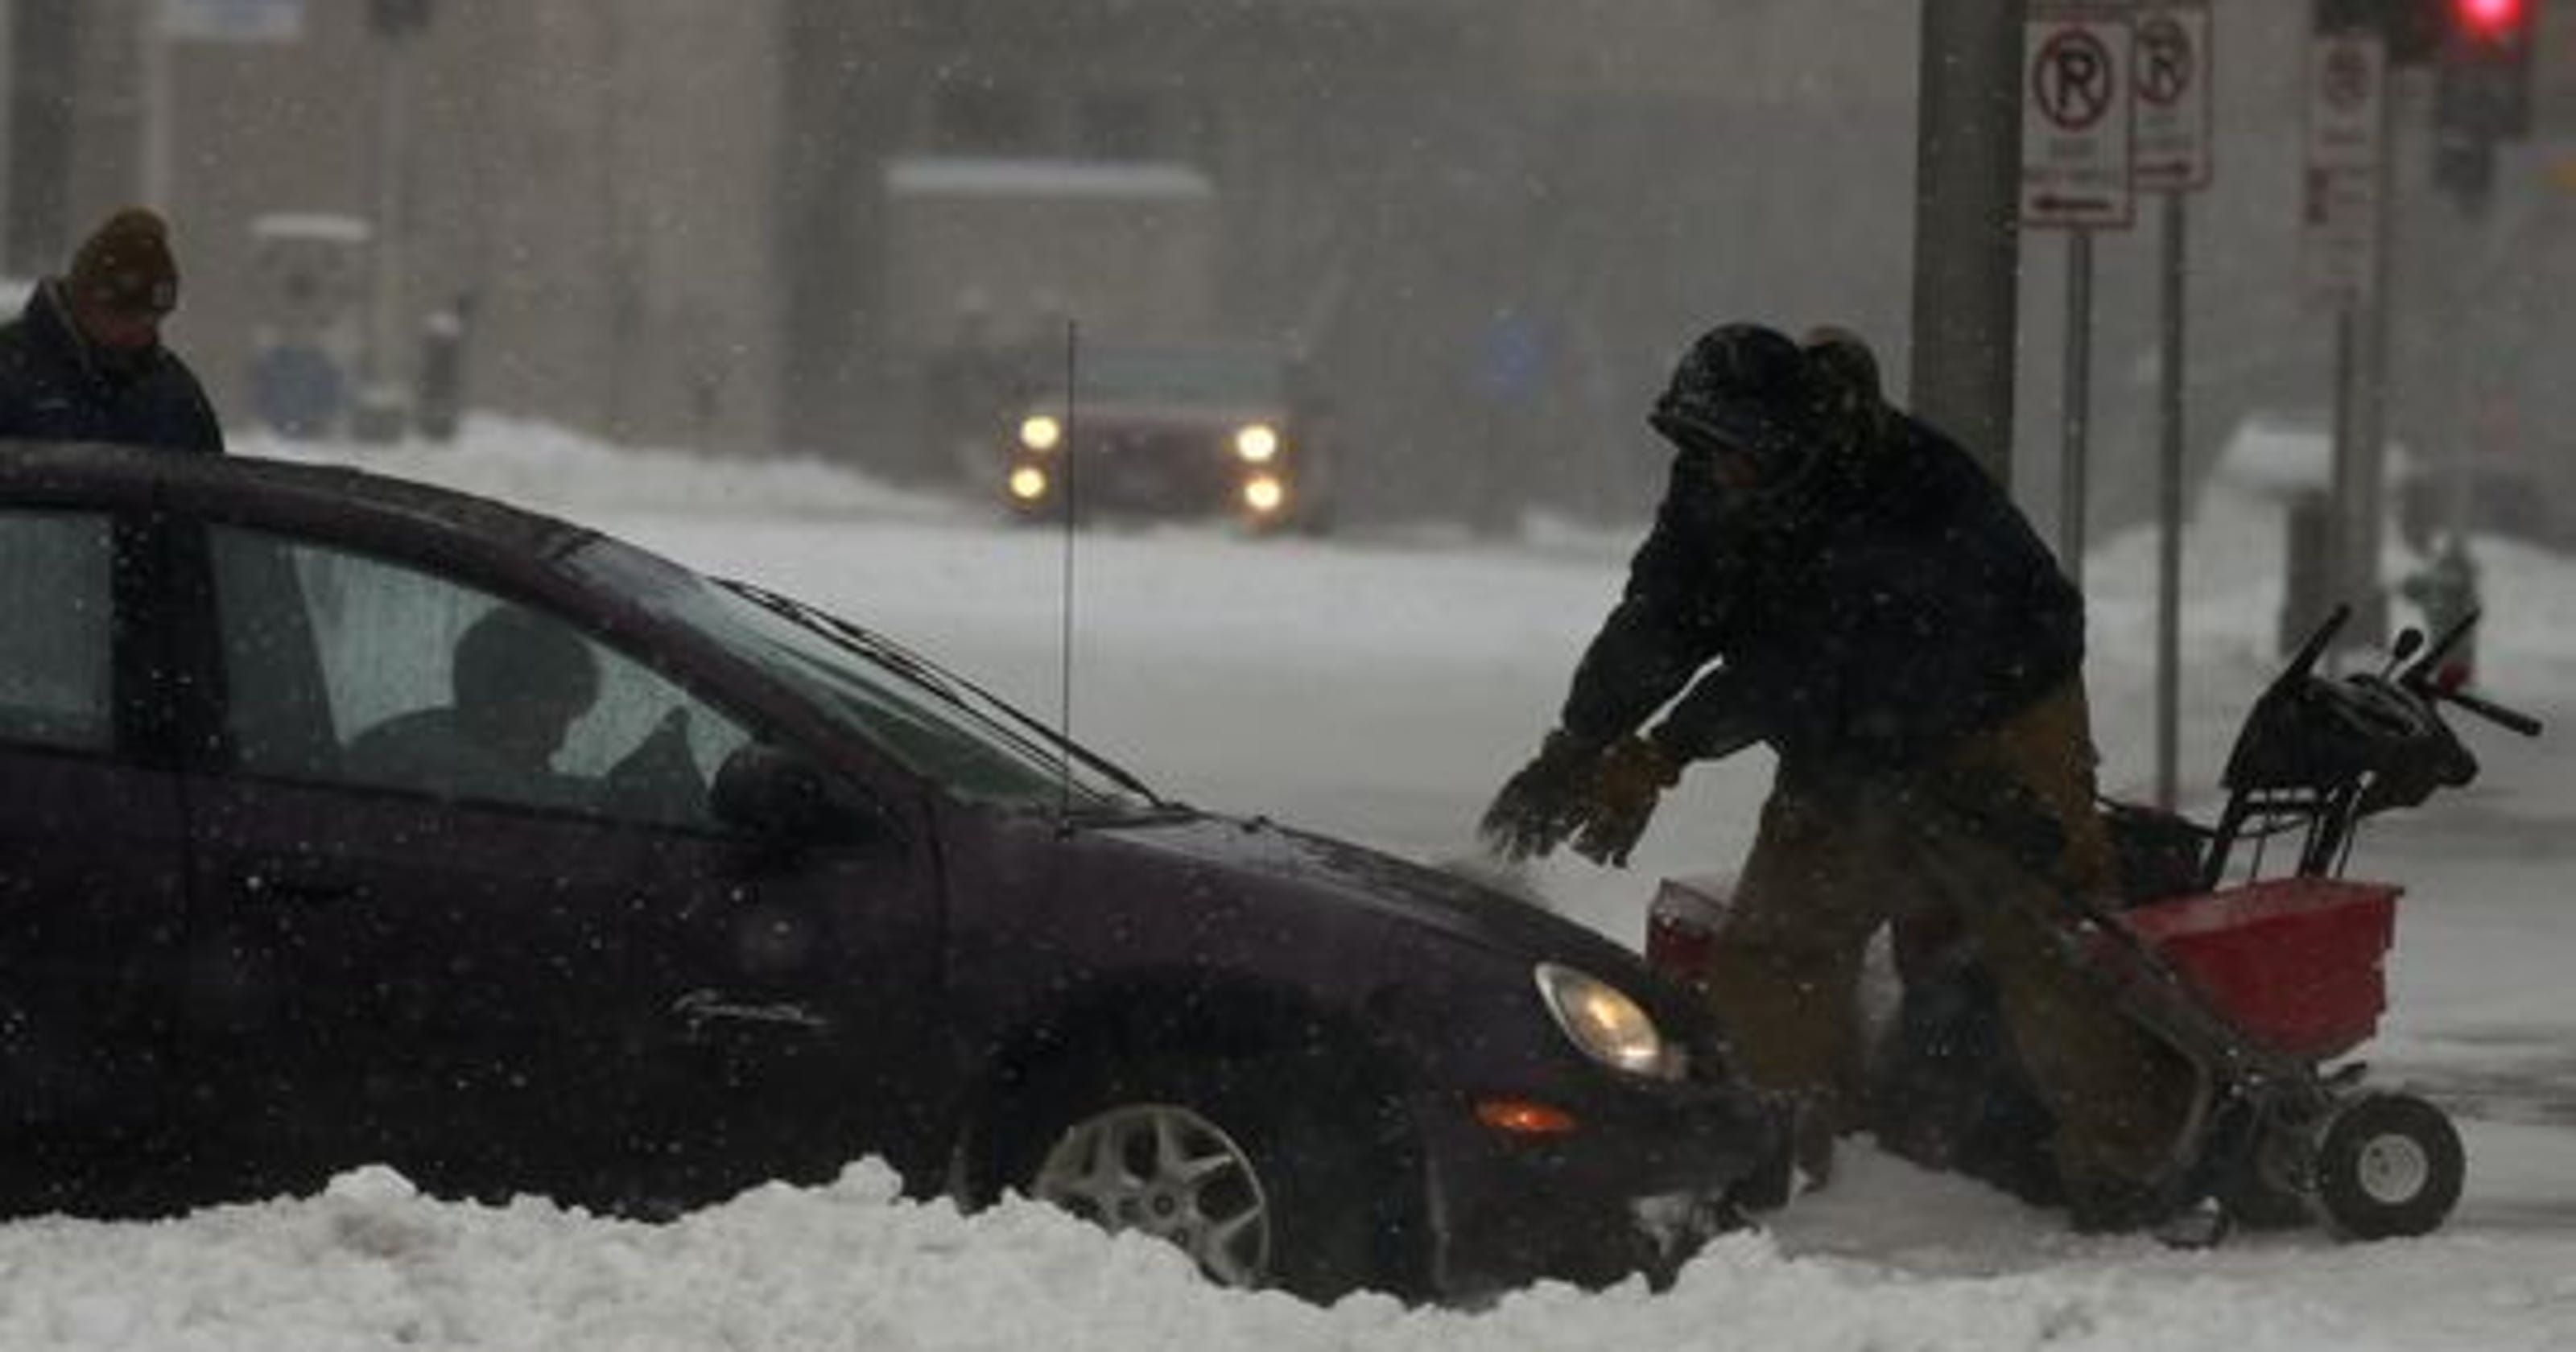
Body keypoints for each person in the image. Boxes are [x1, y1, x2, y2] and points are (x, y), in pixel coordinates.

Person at [1479, 321, 2196, 1230]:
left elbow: (1798, 668)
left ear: (1785, 438)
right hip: (1841, 726)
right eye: (1701, 452)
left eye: (1735, 455)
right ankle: (1766, 1159)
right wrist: (1580, 740)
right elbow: (1665, 612)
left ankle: (2127, 1166)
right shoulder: (1718, 470)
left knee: (2046, 938)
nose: (1717, 474)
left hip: (1996, 708)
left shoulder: (1901, 489)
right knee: (1779, 948)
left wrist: (1662, 754)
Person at [0, 208, 225, 455]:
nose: (139, 333)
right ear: (83, 303)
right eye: (124, 317)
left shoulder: (175, 394)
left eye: (151, 320)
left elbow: (209, 483)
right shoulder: (10, 374)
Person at [346, 606, 605, 810]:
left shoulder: (415, 740)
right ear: (501, 701)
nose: (558, 743)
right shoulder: (469, 784)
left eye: (566, 720)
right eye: (550, 720)